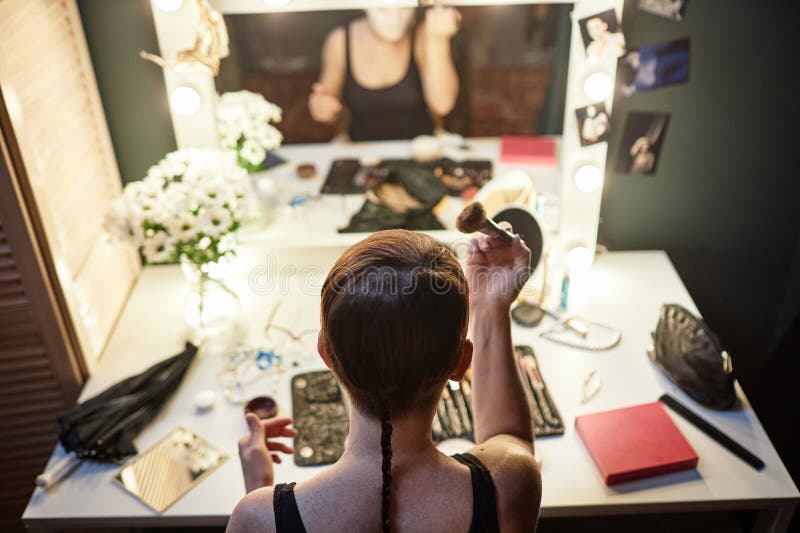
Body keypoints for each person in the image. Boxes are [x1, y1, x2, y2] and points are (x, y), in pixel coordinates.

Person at [229, 227, 541, 532]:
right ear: (461, 363)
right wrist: (490, 307)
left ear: (326, 354)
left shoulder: (258, 518)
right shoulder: (510, 484)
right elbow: (511, 439)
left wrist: (260, 493)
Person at [308, 6, 461, 141]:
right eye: (382, 8)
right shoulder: (340, 40)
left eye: (402, 6)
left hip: (420, 151)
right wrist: (322, 107)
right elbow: (329, 106)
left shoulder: (423, 34)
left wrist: (438, 40)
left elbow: (443, 104)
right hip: (361, 151)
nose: (394, 17)